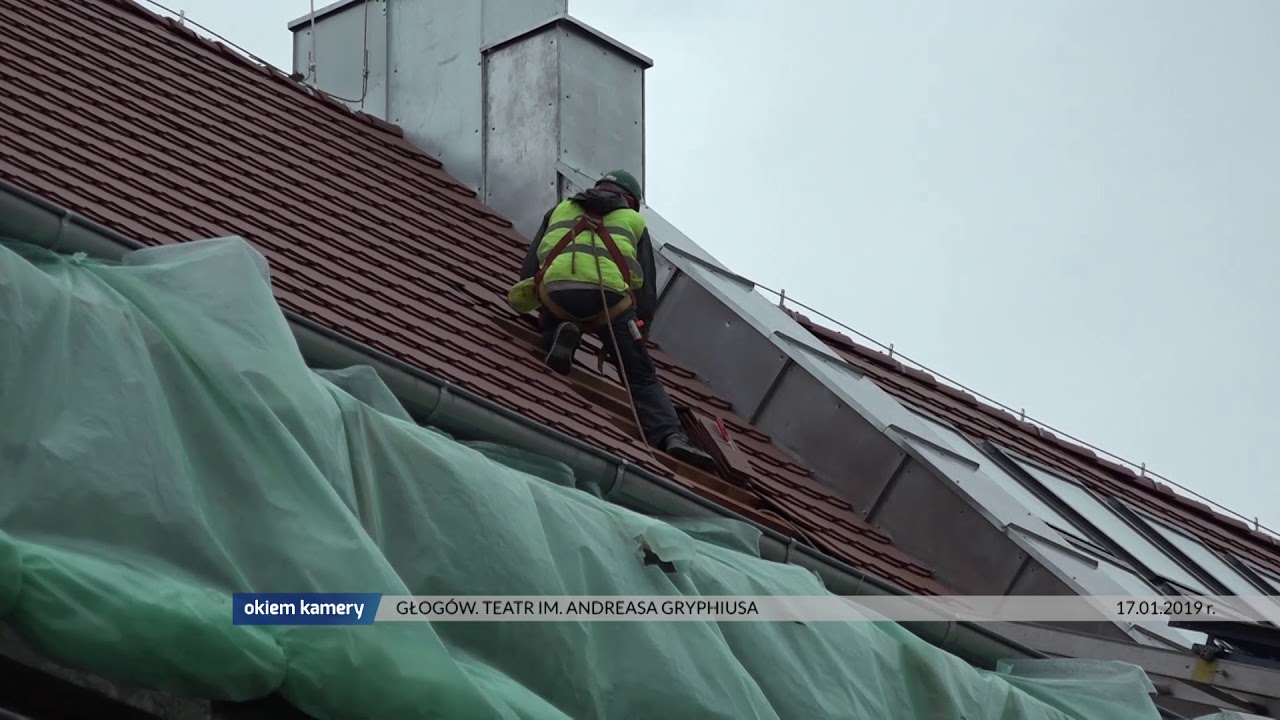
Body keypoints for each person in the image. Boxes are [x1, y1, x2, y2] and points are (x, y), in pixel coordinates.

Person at [514, 170, 715, 471]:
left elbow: (530, 268)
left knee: (551, 302)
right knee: (640, 375)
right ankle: (671, 436)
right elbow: (645, 288)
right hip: (609, 303)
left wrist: (533, 297)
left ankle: (558, 336)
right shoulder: (634, 221)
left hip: (557, 294)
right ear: (630, 201)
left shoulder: (559, 209)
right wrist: (638, 335)